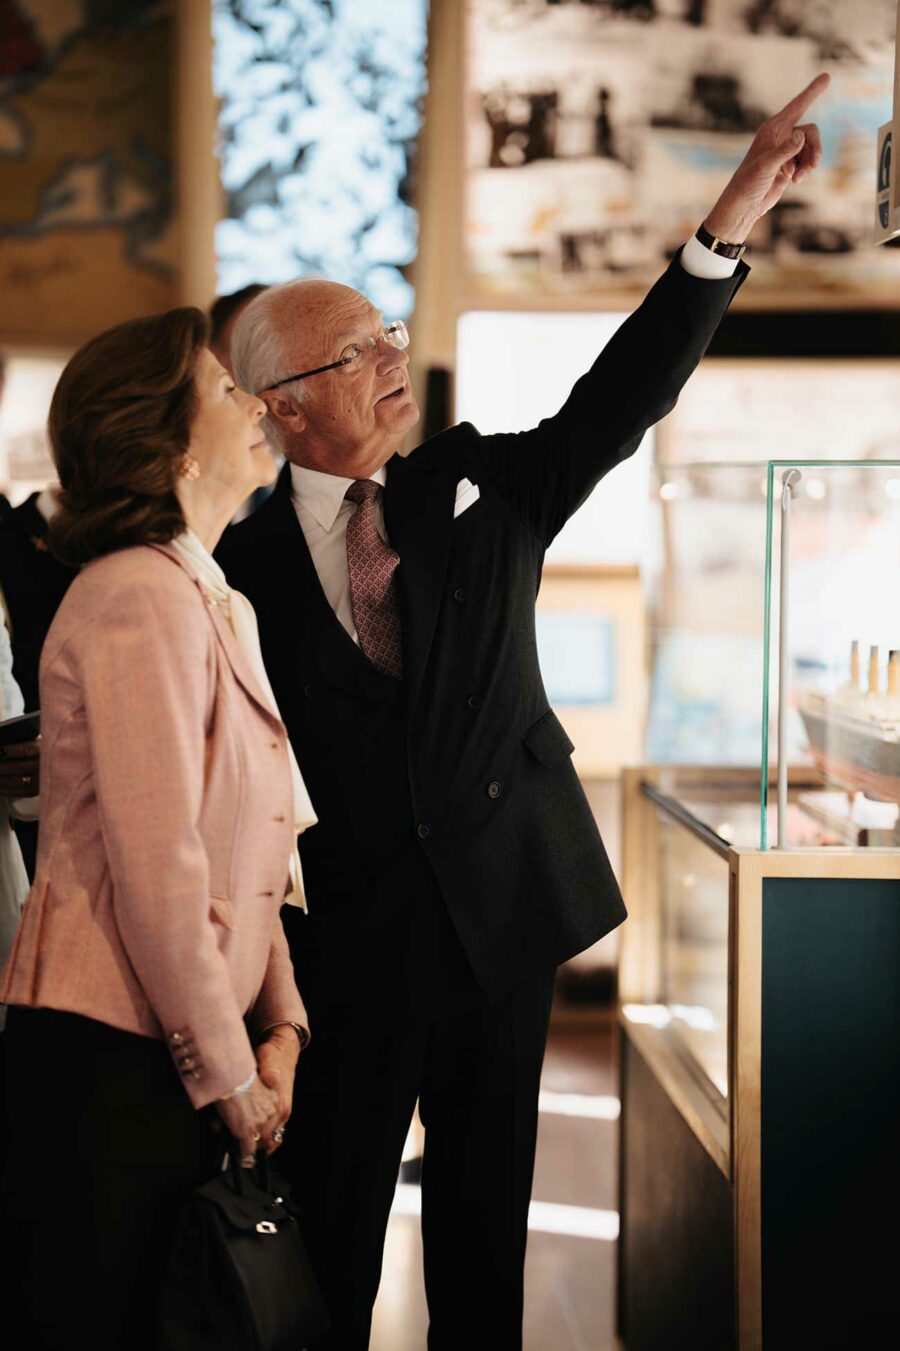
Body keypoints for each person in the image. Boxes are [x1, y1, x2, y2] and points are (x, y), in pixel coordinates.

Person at [218, 76, 829, 1349]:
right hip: (347, 952)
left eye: (389, 334)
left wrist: (728, 220)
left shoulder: (482, 483)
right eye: (356, 354)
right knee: (331, 1233)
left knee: (485, 1236)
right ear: (283, 408)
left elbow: (622, 396)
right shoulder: (233, 568)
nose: (393, 361)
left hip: (505, 913)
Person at [0, 306, 317, 1350]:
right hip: (113, 1051)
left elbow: (258, 846)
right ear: (170, 444)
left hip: (181, 1038)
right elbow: (160, 866)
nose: (256, 405)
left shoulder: (213, 596)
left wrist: (280, 1026)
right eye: (226, 389)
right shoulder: (137, 594)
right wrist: (231, 1071)